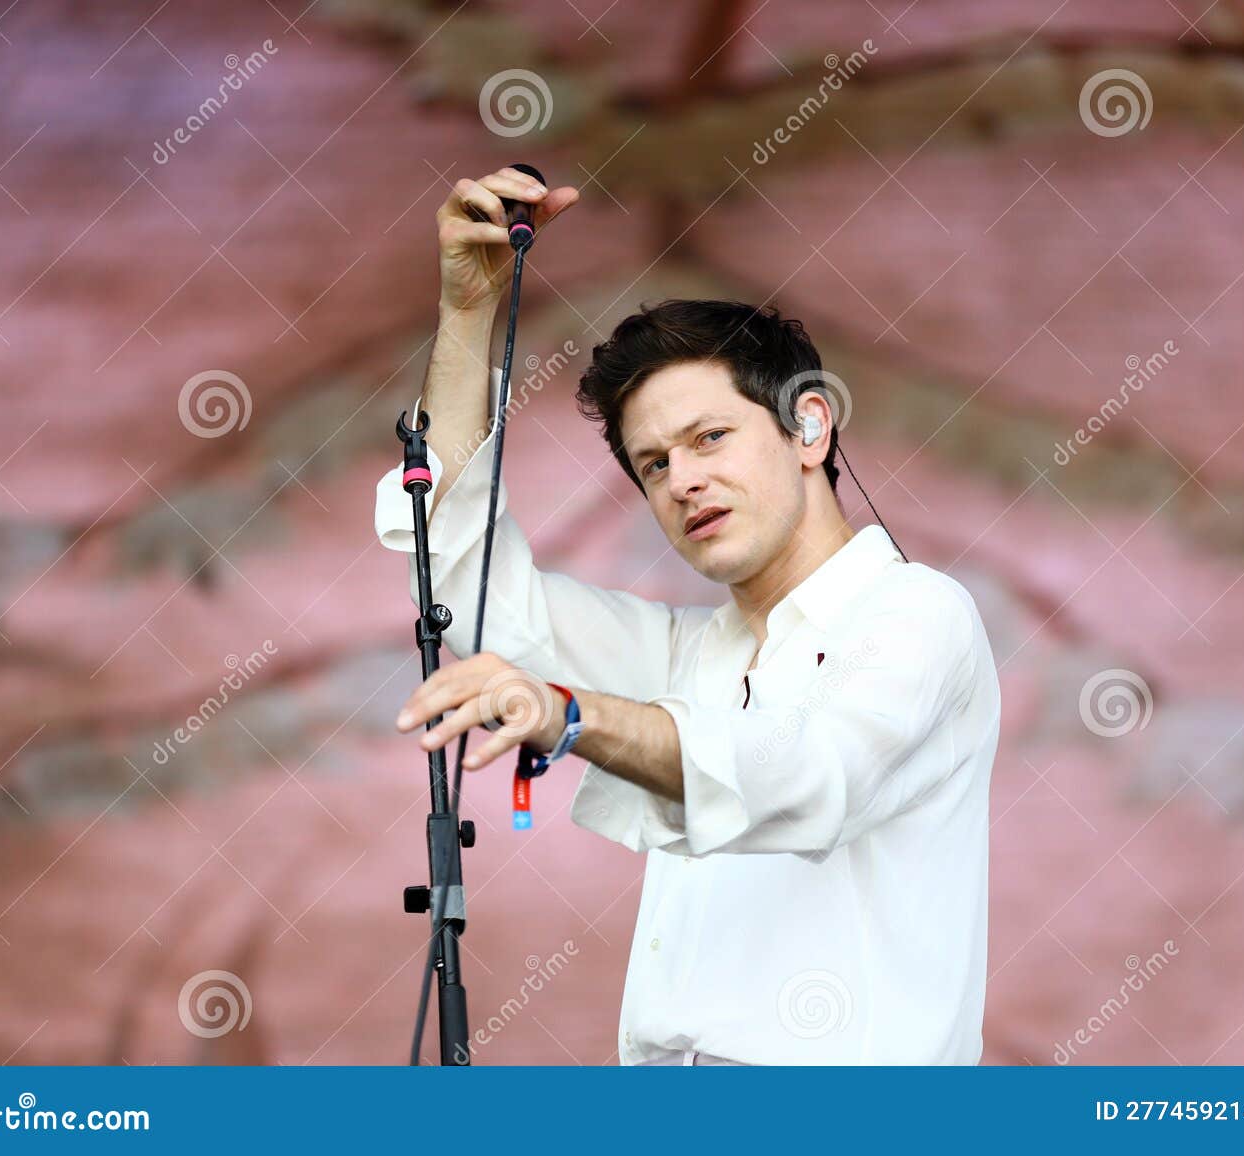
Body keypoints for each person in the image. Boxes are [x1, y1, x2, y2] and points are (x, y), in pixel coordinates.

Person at [375, 168, 1001, 1065]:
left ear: (809, 428)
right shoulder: (684, 656)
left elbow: (808, 774)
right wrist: (469, 319)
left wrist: (571, 713)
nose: (684, 479)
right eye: (655, 464)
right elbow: (460, 576)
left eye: (710, 438)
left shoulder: (917, 613)